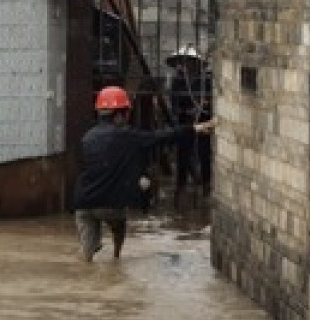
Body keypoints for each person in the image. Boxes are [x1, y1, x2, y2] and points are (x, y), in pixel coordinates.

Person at [73, 85, 213, 262]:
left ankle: (89, 259)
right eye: (125, 114)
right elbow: (162, 136)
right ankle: (116, 258)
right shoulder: (128, 137)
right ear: (118, 115)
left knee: (87, 256)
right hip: (109, 205)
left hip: (82, 205)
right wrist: (195, 129)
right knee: (119, 227)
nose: (127, 118)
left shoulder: (87, 137)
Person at [166, 45, 214, 204]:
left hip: (203, 122)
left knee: (204, 153)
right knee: (183, 155)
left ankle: (206, 188)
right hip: (184, 122)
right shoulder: (177, 82)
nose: (184, 66)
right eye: (182, 63)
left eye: (188, 62)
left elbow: (210, 101)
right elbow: (174, 104)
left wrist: (202, 107)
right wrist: (184, 113)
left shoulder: (205, 80)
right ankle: (181, 189)